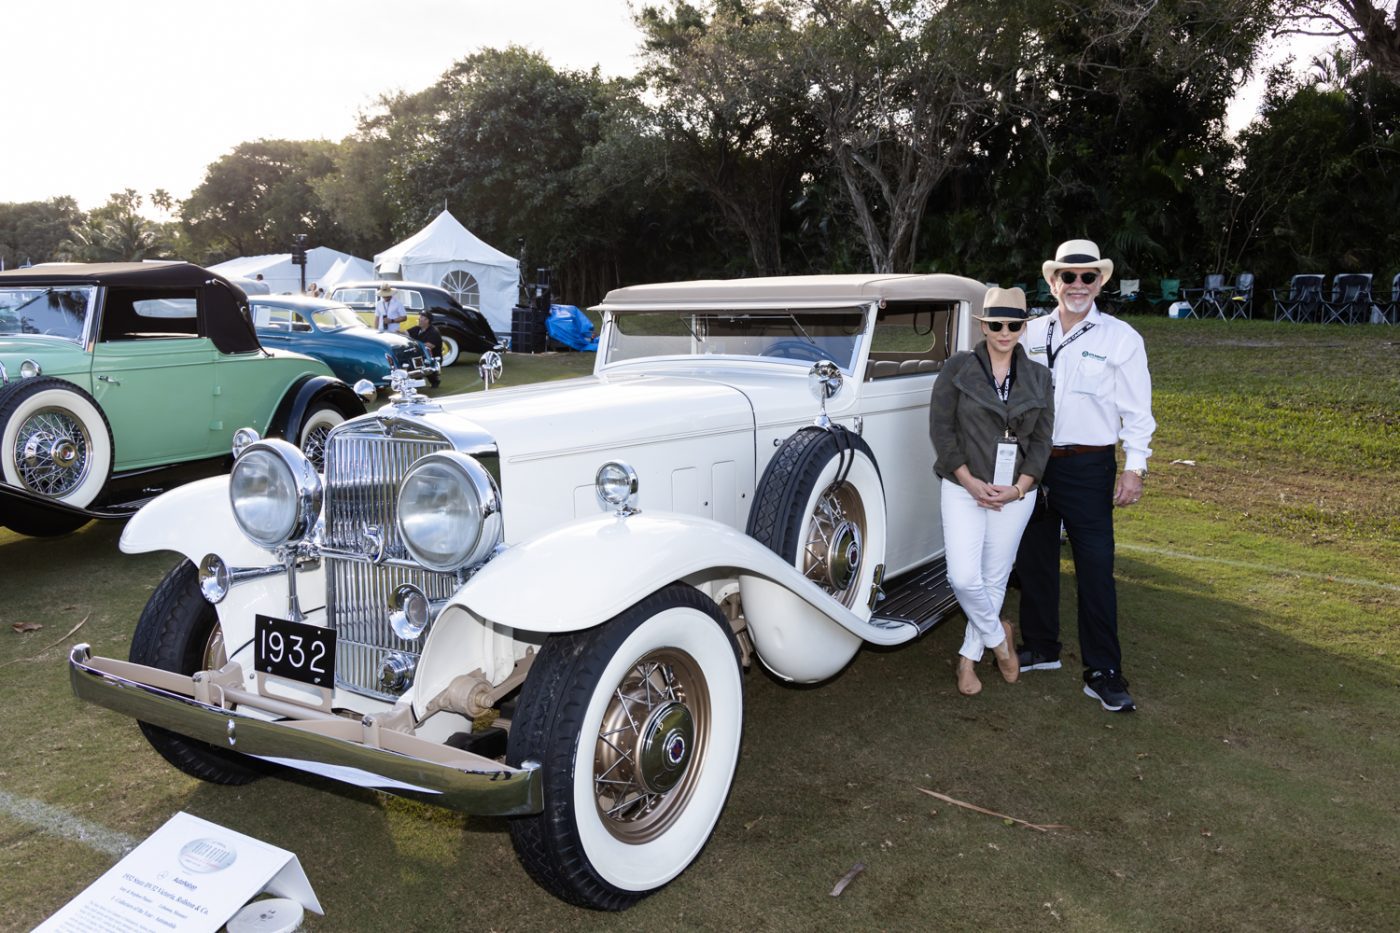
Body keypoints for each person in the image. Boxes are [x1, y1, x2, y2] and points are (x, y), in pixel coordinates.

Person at [1016, 239, 1156, 712]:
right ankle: (1041, 647)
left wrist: (1134, 467)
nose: (1078, 285)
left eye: (1088, 277)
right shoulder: (1029, 332)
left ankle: (1104, 671)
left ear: (1100, 283)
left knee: (1095, 569)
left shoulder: (1121, 338)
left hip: (1088, 465)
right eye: (1068, 277)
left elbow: (1137, 411)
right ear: (1052, 282)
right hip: (1033, 464)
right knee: (1034, 559)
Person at [930, 287, 1054, 697]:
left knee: (994, 577)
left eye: (1013, 325)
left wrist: (1019, 489)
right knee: (964, 578)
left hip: (1015, 493)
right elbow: (942, 431)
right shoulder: (957, 368)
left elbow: (1042, 442)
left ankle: (968, 659)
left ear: (1023, 328)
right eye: (996, 324)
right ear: (983, 327)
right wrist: (968, 480)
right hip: (963, 487)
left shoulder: (1039, 377)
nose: (1004, 332)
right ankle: (1000, 641)